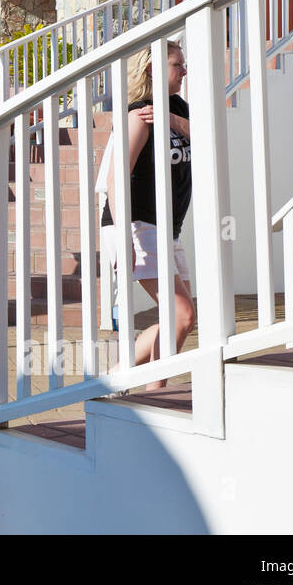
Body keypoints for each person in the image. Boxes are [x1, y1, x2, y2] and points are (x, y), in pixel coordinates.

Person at [98, 41, 195, 391]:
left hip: (166, 227)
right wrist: (126, 235)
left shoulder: (176, 108)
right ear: (154, 69)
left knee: (180, 318)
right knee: (182, 315)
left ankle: (111, 381)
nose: (184, 71)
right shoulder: (139, 115)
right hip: (137, 224)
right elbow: (115, 178)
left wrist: (171, 119)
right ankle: (155, 396)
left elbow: (204, 134)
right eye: (177, 64)